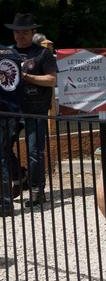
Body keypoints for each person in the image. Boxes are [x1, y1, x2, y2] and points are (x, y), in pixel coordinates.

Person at [3, 14, 57, 206]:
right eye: (17, 32)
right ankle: (20, 177)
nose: (21, 35)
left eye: (25, 32)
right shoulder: (7, 53)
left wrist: (25, 76)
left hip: (36, 108)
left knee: (35, 150)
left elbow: (51, 80)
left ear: (33, 32)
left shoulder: (42, 53)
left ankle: (37, 190)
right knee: (3, 147)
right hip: (11, 108)